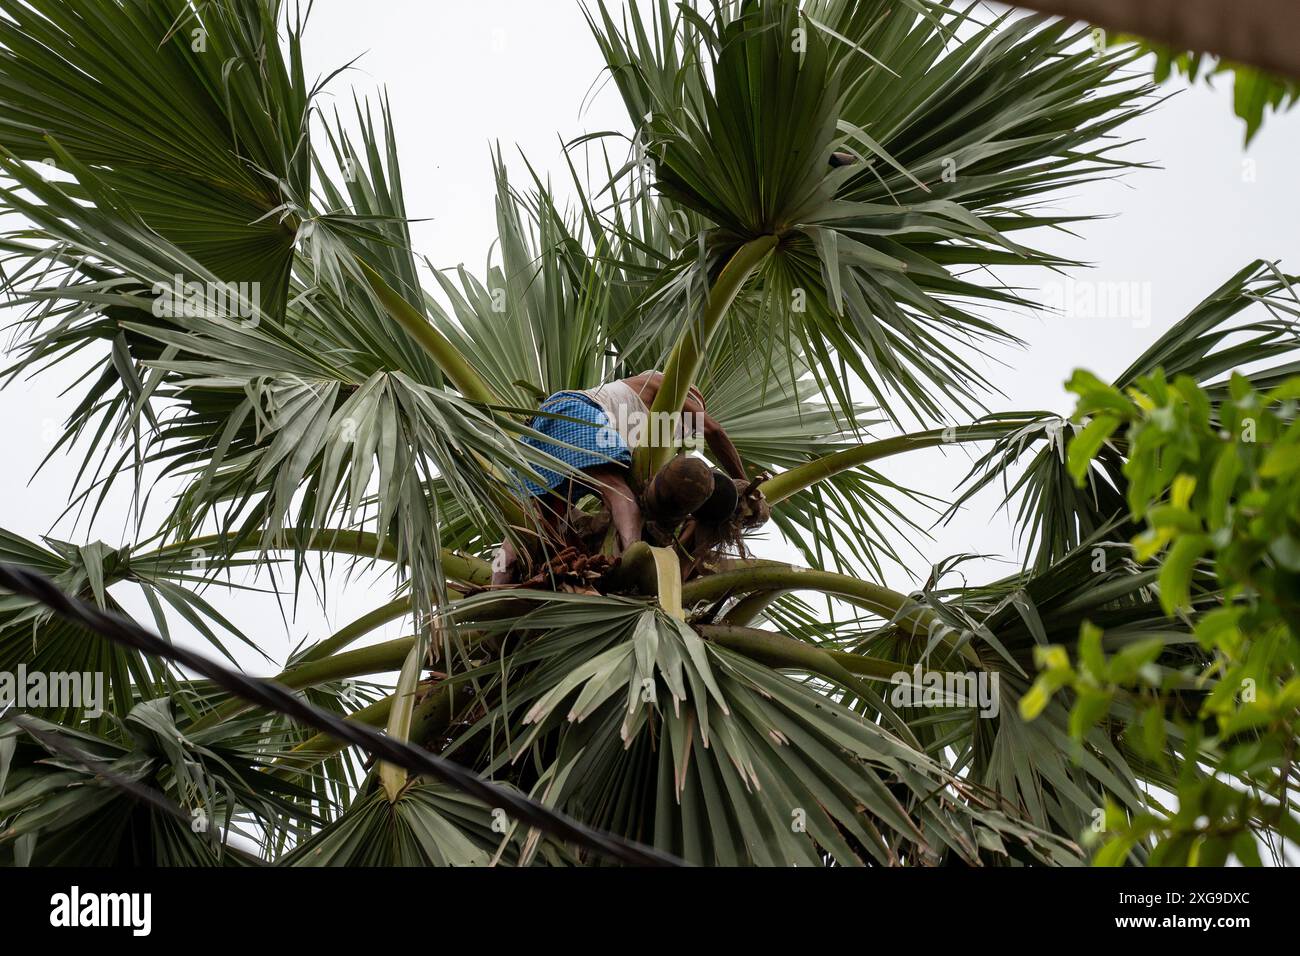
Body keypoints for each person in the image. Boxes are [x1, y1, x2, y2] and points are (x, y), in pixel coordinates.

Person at [491, 370, 749, 585]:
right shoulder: (664, 383)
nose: (686, 430)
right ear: (687, 397)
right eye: (690, 421)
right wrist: (743, 482)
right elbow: (714, 431)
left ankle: (496, 590)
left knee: (535, 520)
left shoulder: (635, 426)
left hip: (546, 424)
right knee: (619, 493)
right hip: (577, 410)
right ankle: (631, 555)